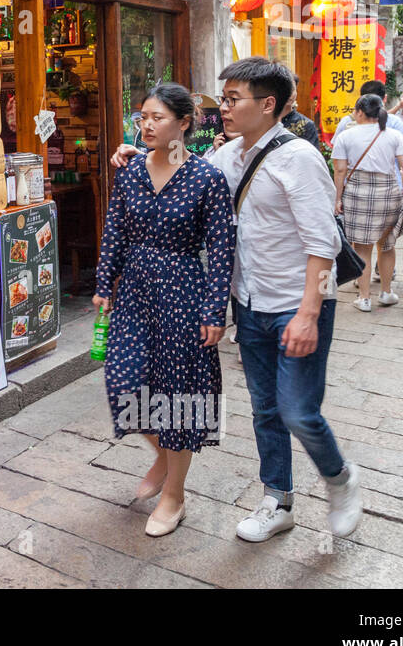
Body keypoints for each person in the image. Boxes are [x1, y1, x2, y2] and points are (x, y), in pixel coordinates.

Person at [113, 57, 363, 543]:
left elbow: (323, 243)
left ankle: (339, 478)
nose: (222, 109)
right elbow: (180, 179)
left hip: (297, 302)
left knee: (297, 410)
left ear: (268, 105)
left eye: (232, 99)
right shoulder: (228, 158)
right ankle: (278, 500)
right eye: (222, 99)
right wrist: (142, 152)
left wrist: (309, 313)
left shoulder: (300, 158)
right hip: (248, 303)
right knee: (265, 409)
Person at [92, 83, 235, 537]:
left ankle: (175, 495)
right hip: (135, 289)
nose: (147, 124)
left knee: (178, 396)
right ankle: (163, 456)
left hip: (183, 292)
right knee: (124, 382)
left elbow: (222, 248)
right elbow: (115, 230)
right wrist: (103, 285)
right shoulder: (130, 171)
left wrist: (215, 311)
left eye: (157, 117)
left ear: (185, 123)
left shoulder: (207, 178)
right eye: (142, 117)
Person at [332, 94, 403, 312]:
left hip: (357, 192)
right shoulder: (393, 135)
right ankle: (387, 292)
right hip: (388, 192)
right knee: (387, 245)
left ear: (360, 111)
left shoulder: (346, 136)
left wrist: (337, 198)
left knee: (362, 248)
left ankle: (364, 298)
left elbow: (340, 170)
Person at [279, 74, 321, 148]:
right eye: (283, 88)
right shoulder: (263, 122)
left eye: (292, 89)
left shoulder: (307, 125)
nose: (288, 94)